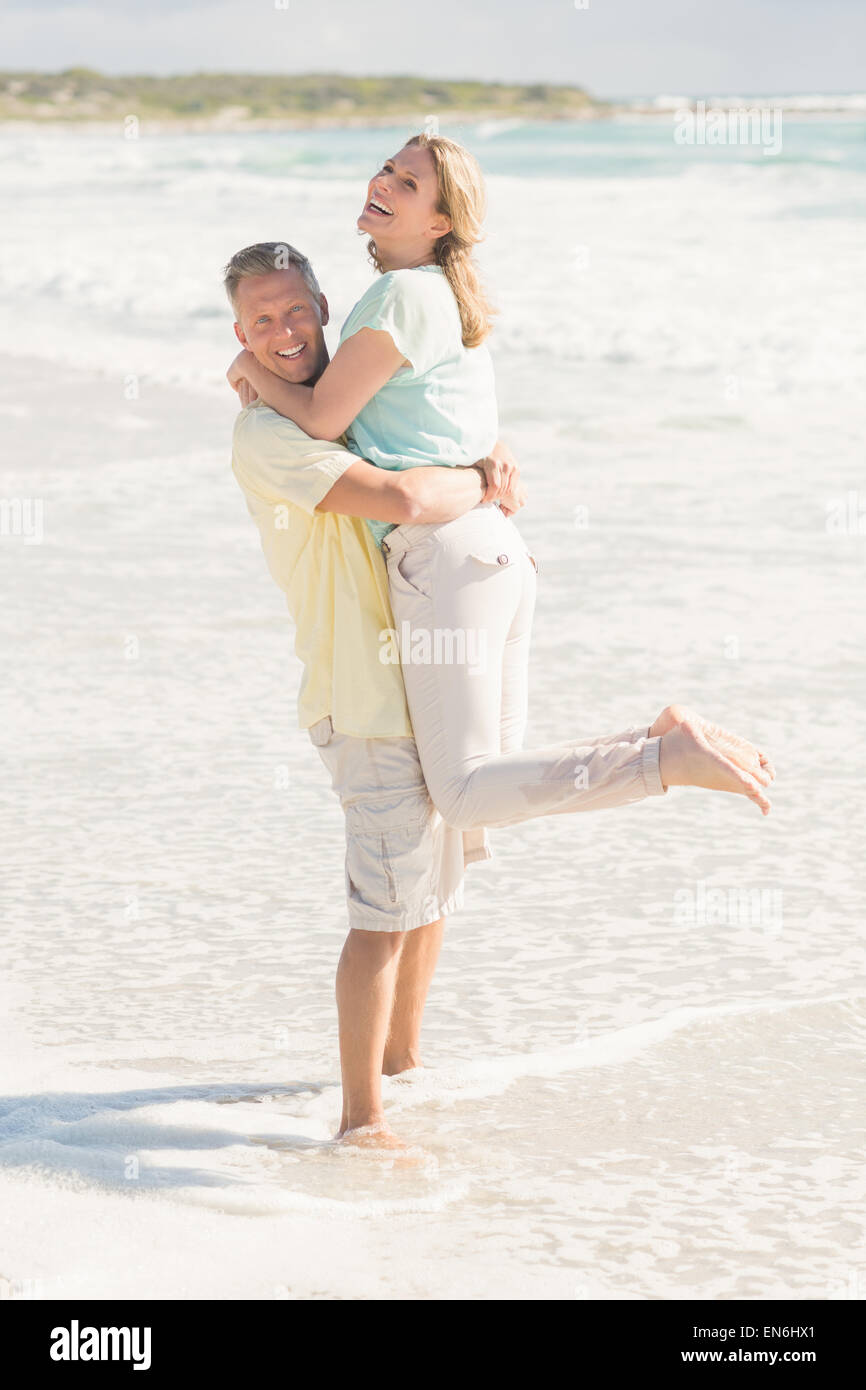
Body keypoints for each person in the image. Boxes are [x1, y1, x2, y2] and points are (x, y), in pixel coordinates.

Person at [225, 239, 774, 1151]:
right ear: (238, 333)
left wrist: (483, 452)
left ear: (326, 307)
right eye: (260, 323)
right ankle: (363, 1121)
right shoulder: (269, 435)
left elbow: (431, 433)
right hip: (364, 695)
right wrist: (481, 477)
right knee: (382, 914)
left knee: (435, 893)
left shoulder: (343, 408)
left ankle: (404, 1064)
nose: (284, 333)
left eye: (295, 311)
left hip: (429, 667)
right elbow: (402, 496)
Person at [227, 135, 775, 832]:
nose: (385, 183)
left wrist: (249, 370)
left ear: (439, 222)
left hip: (443, 555)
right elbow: (454, 428)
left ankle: (665, 759)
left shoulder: (399, 295)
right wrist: (488, 469)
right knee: (494, 781)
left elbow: (325, 414)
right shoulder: (444, 296)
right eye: (388, 169)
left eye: (409, 183)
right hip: (497, 554)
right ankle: (654, 742)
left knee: (463, 794)